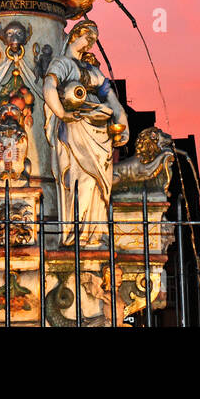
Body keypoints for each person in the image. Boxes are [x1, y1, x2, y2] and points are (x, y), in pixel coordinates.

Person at [40, 20, 129, 245]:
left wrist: (122, 120)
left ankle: (95, 232)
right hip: (76, 126)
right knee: (83, 180)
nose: (90, 43)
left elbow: (111, 99)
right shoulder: (62, 64)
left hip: (98, 129)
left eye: (93, 40)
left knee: (101, 181)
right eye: (87, 37)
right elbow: (49, 87)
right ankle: (79, 233)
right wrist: (61, 113)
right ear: (74, 35)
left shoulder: (91, 70)